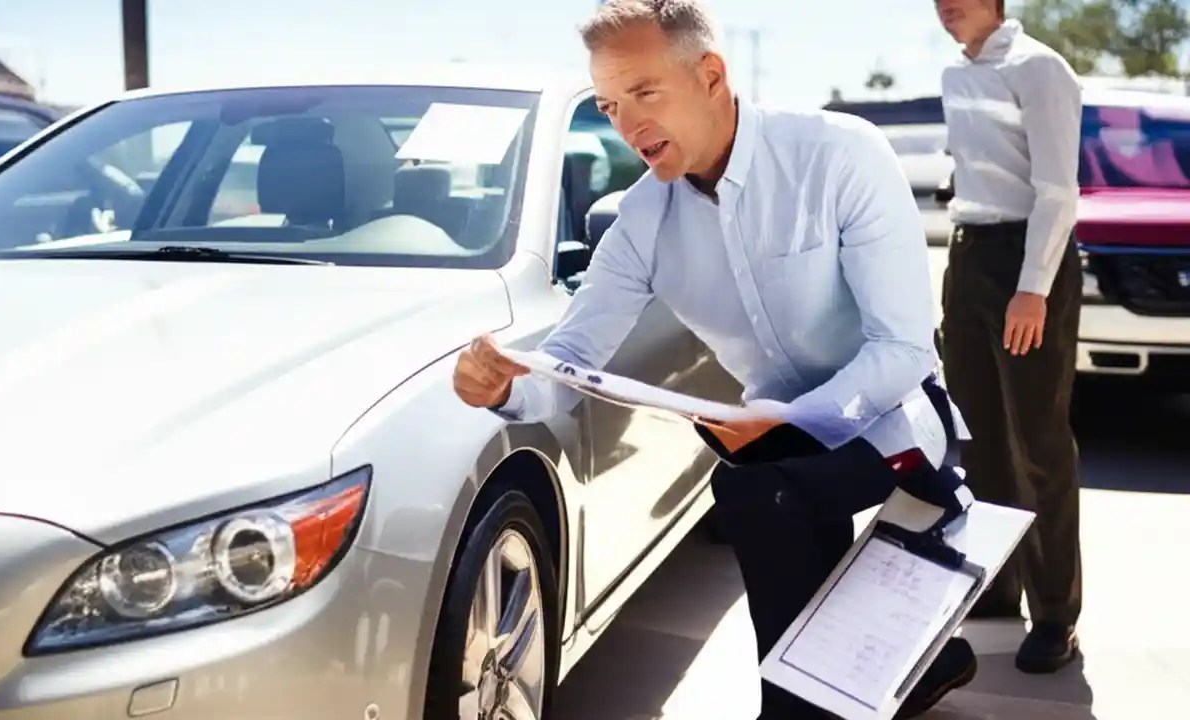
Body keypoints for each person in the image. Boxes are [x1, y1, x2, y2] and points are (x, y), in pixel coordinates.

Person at [455, 1, 976, 716]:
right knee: (766, 491)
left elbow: (902, 348)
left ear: (709, 75)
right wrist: (507, 387)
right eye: (608, 104)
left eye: (644, 92)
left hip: (895, 417)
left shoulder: (838, 154)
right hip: (770, 444)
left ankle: (810, 701)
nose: (626, 123)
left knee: (758, 491)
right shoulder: (642, 218)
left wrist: (789, 423)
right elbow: (571, 363)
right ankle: (868, 677)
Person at [933, 0, 1084, 674]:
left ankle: (1057, 614)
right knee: (979, 433)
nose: (942, 6)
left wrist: (1034, 288)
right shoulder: (953, 73)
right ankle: (999, 585)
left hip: (1028, 261)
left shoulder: (1040, 67)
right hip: (969, 256)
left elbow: (1057, 190)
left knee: (1040, 442)